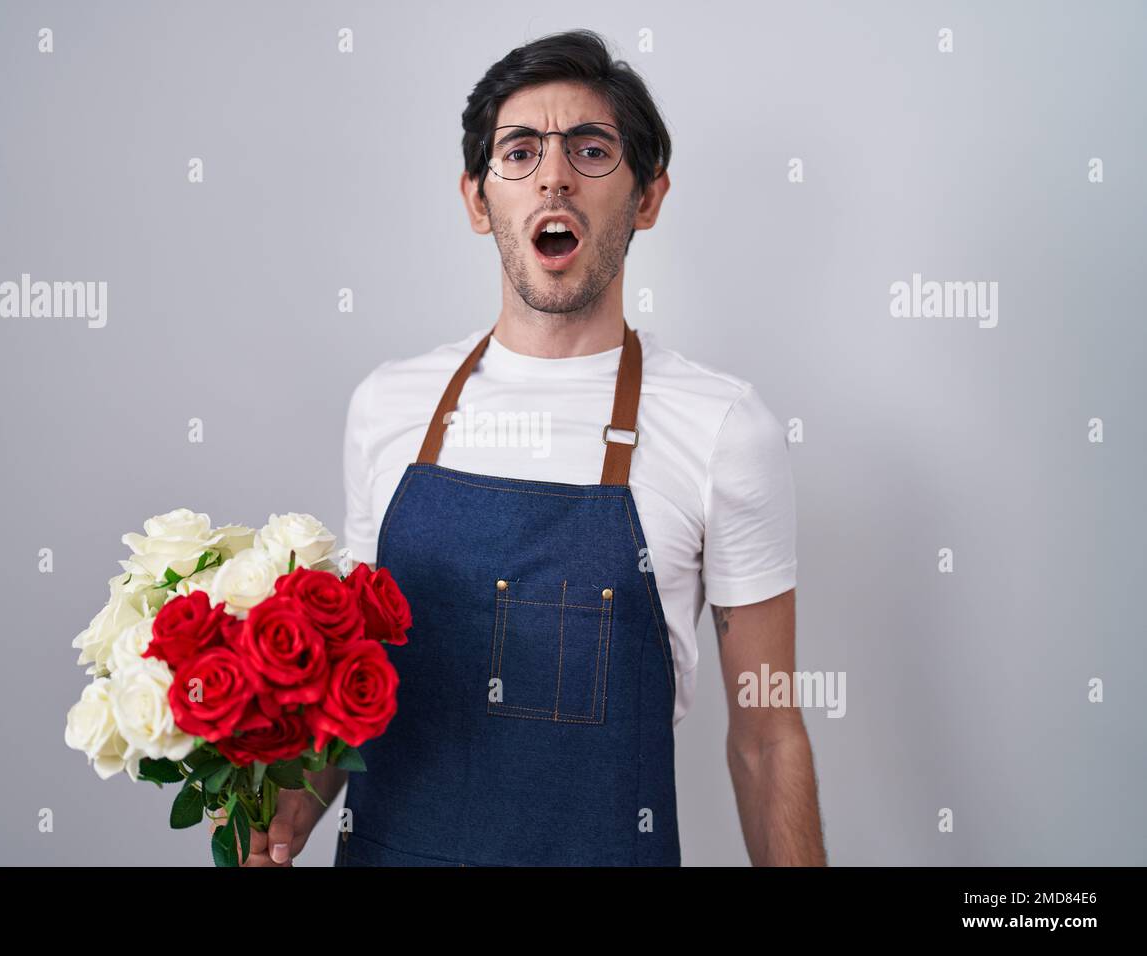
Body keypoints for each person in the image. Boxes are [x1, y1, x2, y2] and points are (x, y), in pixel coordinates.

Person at [217, 28, 825, 867]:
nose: (554, 174)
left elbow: (767, 737)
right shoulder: (389, 407)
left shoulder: (724, 429)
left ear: (648, 198)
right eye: (521, 151)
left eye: (591, 149)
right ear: (478, 201)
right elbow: (354, 698)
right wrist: (285, 809)